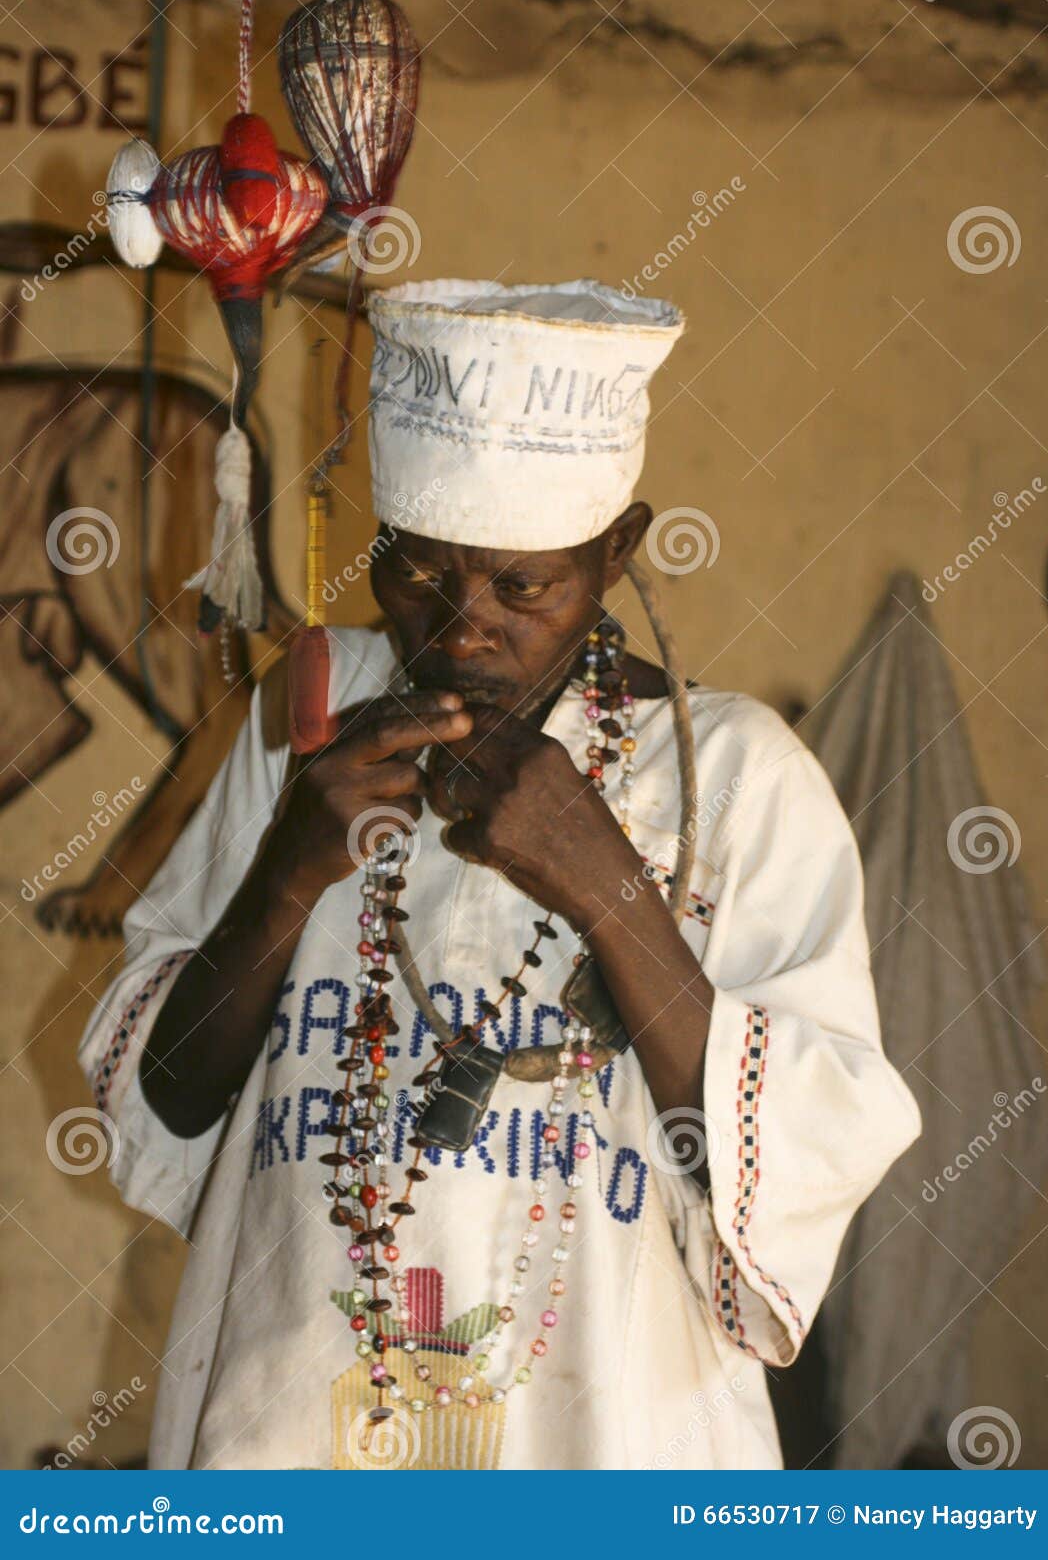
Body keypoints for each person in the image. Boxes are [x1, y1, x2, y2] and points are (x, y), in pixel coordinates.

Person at [79, 279, 920, 1471]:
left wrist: (602, 885)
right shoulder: (312, 717)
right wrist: (286, 875)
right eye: (418, 573)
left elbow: (798, 1160)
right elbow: (165, 1101)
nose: (461, 628)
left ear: (616, 553)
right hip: (294, 1448)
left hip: (610, 1456)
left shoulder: (738, 772)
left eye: (522, 585)